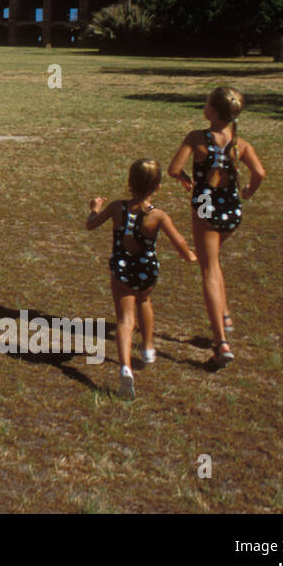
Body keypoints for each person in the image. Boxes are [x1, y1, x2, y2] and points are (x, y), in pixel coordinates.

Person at [168, 86, 265, 369]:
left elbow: (174, 169)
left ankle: (221, 342)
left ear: (212, 111)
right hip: (231, 211)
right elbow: (259, 173)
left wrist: (185, 177)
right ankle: (225, 314)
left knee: (208, 269)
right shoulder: (240, 144)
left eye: (207, 103)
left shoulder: (196, 138)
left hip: (205, 209)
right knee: (214, 261)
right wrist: (248, 191)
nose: (204, 105)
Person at [87, 159, 196, 400]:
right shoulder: (158, 216)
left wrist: (94, 208)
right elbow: (180, 244)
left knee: (125, 319)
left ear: (129, 182)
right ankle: (147, 348)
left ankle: (125, 367)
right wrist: (190, 256)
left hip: (121, 271)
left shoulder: (117, 208)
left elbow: (91, 225)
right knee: (144, 301)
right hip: (146, 271)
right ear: (156, 187)